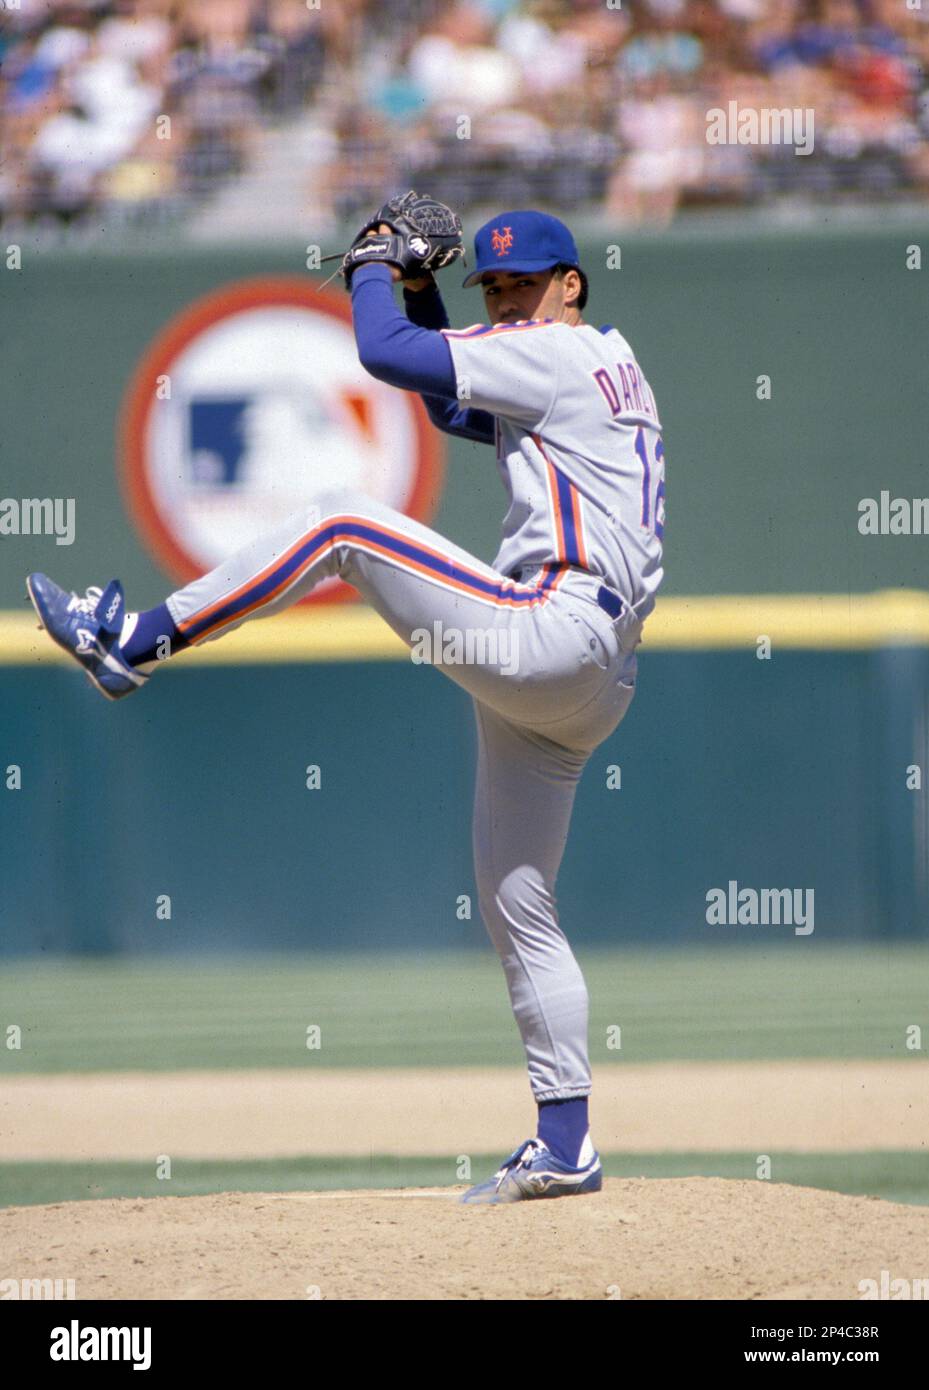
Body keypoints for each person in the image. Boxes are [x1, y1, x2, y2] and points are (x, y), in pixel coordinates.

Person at [27, 207, 666, 1204]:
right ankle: (564, 1140)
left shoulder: (554, 351)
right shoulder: (601, 366)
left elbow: (384, 355)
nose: (505, 301)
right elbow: (448, 402)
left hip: (554, 626)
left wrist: (374, 260)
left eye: (523, 285)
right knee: (518, 905)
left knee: (340, 521)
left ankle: (131, 641)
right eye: (490, 289)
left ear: (571, 284)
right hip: (588, 678)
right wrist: (417, 286)